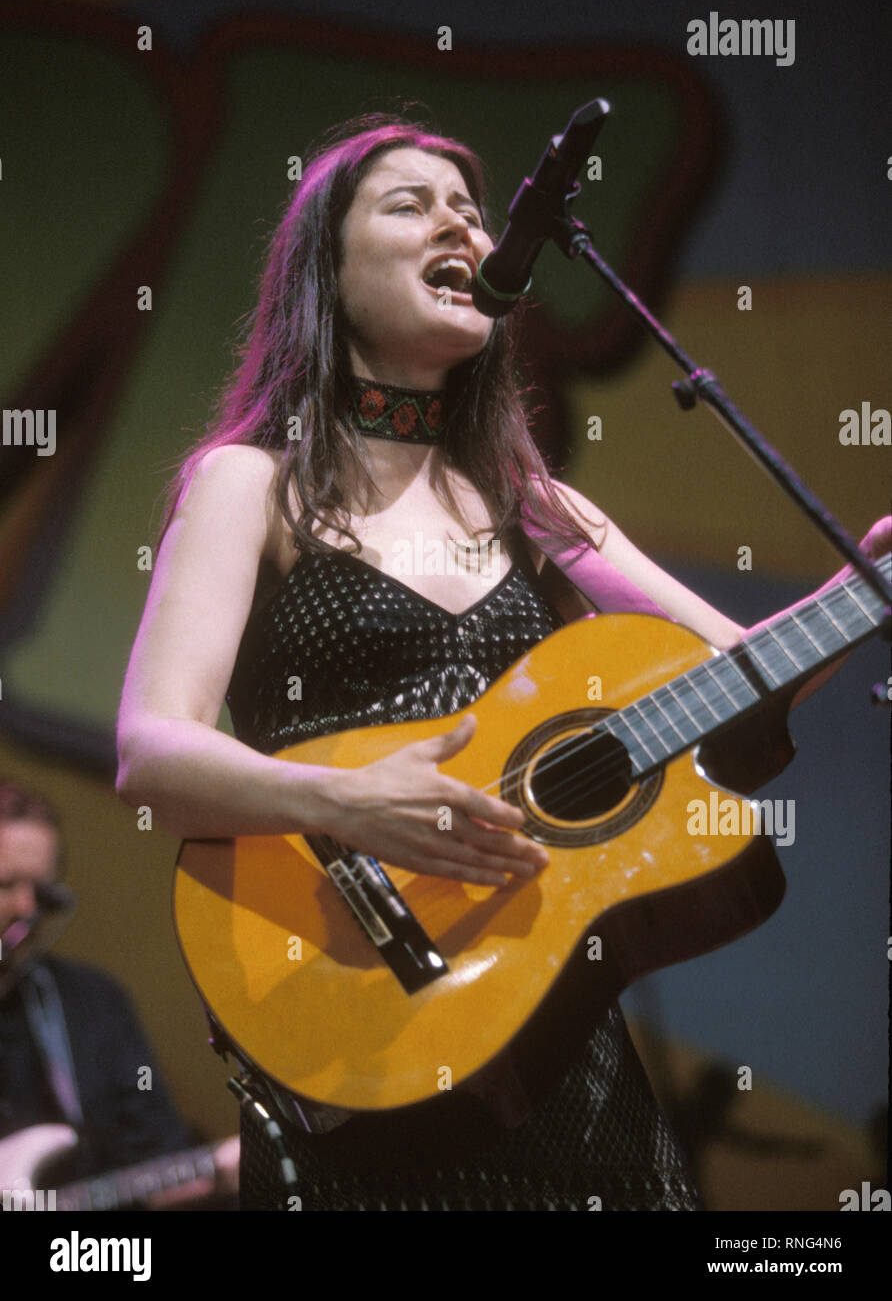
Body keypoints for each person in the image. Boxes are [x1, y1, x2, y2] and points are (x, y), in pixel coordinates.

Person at [114, 112, 890, 1211]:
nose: (461, 224)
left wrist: (855, 594)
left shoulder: (540, 505)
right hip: (356, 1017)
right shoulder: (251, 483)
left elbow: (736, 669)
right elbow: (151, 750)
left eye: (470, 211)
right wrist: (346, 800)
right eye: (411, 203)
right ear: (326, 277)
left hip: (553, 1038)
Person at [0, 779, 238, 1206]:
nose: (27, 910)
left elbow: (156, 1155)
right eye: (5, 885)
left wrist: (220, 1171)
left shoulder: (93, 1003)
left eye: (43, 891)